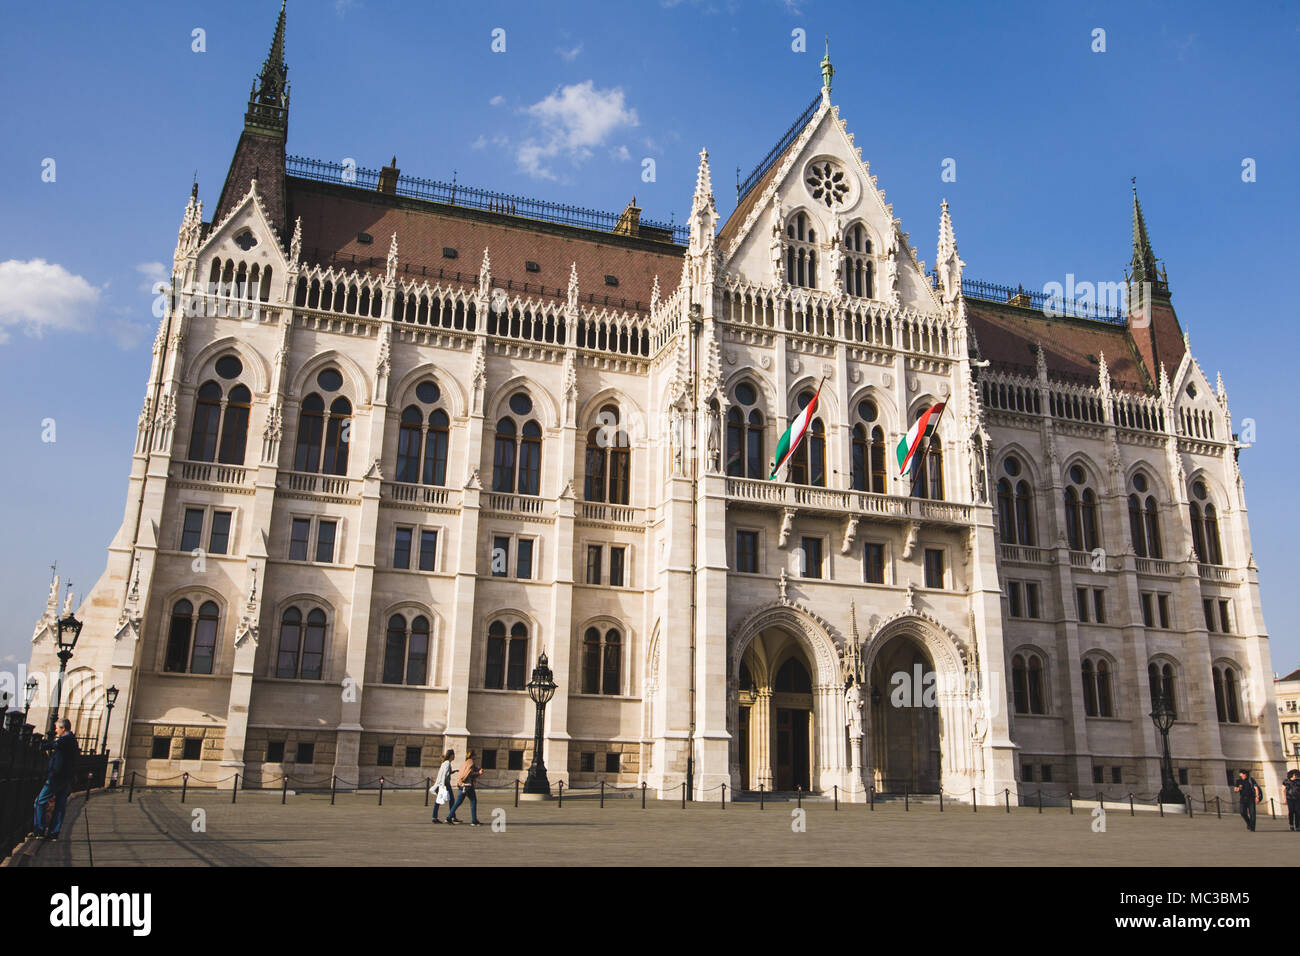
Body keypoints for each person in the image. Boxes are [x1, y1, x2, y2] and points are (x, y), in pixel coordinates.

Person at [32, 718, 80, 842]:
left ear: (63, 728)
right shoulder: (72, 740)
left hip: (57, 777)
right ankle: (53, 833)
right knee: (60, 804)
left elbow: (54, 745)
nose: (56, 730)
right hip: (66, 777)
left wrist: (40, 745)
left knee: (40, 801)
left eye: (57, 728)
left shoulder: (66, 739)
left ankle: (39, 830)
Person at [445, 749, 483, 826]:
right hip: (468, 785)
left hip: (462, 785)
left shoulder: (466, 762)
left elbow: (471, 769)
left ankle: (449, 817)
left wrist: (478, 769)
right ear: (472, 756)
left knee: (458, 802)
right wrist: (478, 773)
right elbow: (470, 774)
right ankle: (474, 820)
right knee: (473, 801)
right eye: (475, 754)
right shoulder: (471, 762)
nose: (476, 756)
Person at [431, 749, 456, 823]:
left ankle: (434, 817)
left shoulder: (445, 763)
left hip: (442, 783)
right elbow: (444, 775)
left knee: (439, 800)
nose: (454, 756)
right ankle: (452, 817)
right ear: (451, 755)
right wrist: (443, 785)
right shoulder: (447, 763)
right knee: (452, 800)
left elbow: (445, 773)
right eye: (454, 755)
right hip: (445, 784)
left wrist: (452, 772)